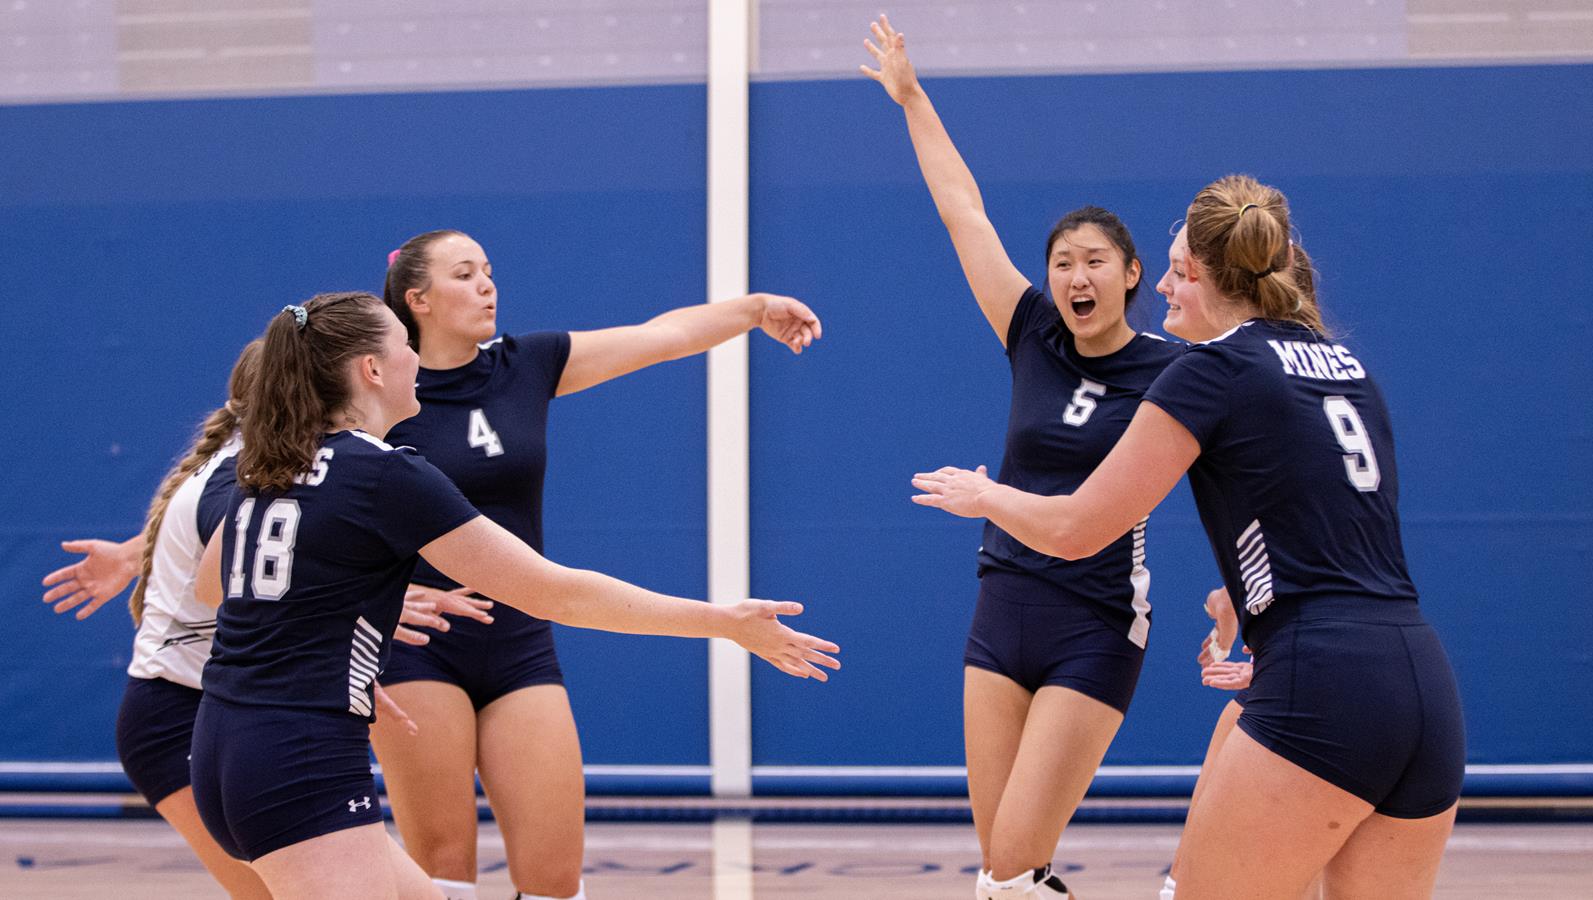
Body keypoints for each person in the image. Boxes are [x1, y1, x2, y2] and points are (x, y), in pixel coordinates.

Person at [912, 174, 1464, 899]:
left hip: (1318, 682)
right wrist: (1246, 597)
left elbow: (1078, 529)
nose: (1164, 290)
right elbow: (1333, 528)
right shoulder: (1343, 362)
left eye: (1175, 271)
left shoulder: (1209, 369)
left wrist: (986, 496)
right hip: (1418, 682)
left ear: (1205, 276)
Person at [188, 292, 839, 900]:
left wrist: (350, 612)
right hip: (299, 754)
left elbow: (215, 585)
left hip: (225, 741)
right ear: (372, 371)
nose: (415, 356)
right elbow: (558, 594)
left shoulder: (276, 462)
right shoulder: (385, 473)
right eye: (401, 346)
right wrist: (725, 622)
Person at [372, 228, 822, 900]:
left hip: (521, 638)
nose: (487, 285)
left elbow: (659, 335)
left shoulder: (527, 364)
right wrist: (377, 600)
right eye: (464, 274)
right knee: (444, 871)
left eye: (489, 270)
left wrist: (753, 308)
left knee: (555, 879)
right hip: (419, 649)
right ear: (419, 300)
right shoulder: (381, 399)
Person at [861, 16, 1181, 898]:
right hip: (1002, 607)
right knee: (1009, 876)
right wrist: (914, 99)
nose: (1075, 277)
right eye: (1062, 263)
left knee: (1006, 866)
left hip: (1096, 619)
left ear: (1130, 275)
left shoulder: (1175, 372)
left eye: (1094, 263)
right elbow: (963, 211)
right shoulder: (1033, 330)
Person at [40, 341, 479, 899]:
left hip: (220, 709)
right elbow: (259, 567)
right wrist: (366, 614)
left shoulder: (248, 463)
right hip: (184, 717)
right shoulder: (250, 475)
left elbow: (245, 564)